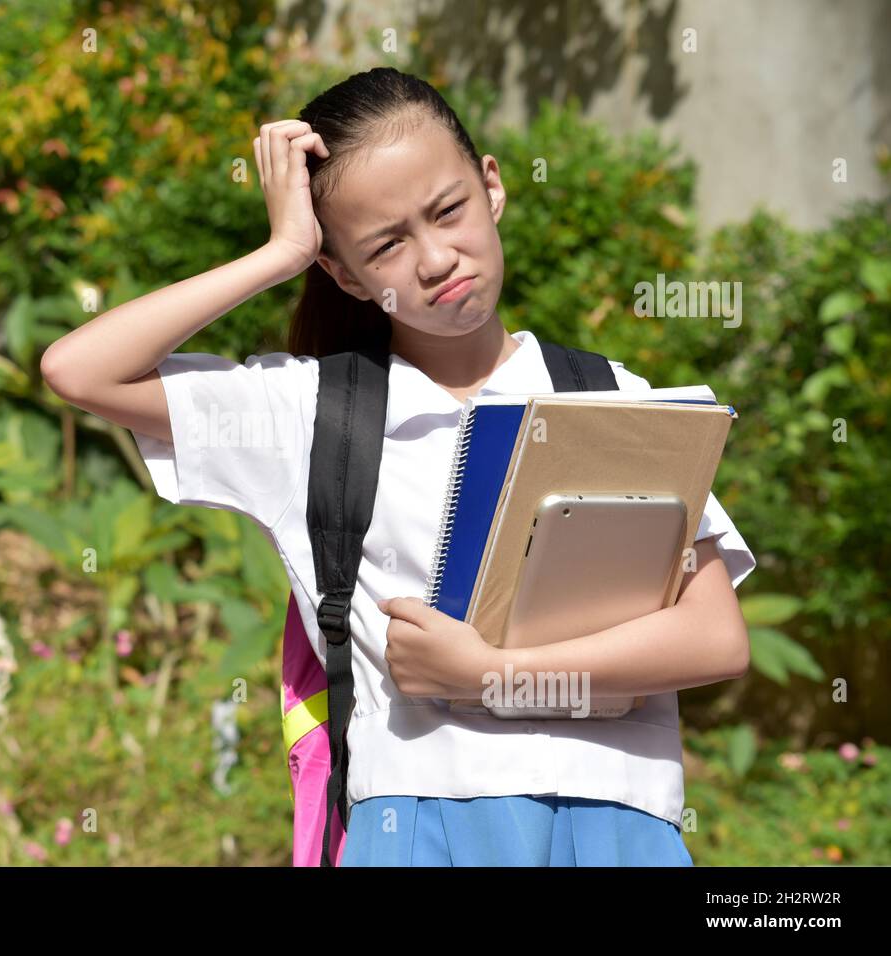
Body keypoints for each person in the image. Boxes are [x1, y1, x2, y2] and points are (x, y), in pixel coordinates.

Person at [41, 67, 756, 866]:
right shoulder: (309, 414)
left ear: (492, 187)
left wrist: (492, 675)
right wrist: (279, 253)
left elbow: (715, 638)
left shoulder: (612, 397)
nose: (435, 258)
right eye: (385, 244)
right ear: (342, 273)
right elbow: (80, 370)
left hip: (621, 821)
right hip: (418, 824)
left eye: (448, 210)